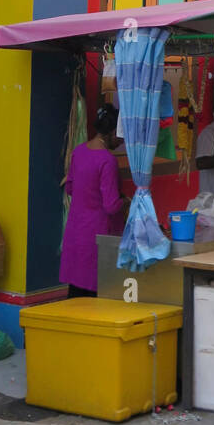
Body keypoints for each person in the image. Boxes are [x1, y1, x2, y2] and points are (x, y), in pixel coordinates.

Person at [59, 105, 124, 298]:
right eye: (120, 134)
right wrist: (127, 202)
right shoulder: (107, 161)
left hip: (75, 231)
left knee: (75, 294)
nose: (121, 141)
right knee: (94, 296)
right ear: (112, 132)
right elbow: (111, 206)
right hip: (97, 236)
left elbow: (70, 188)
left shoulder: (79, 152)